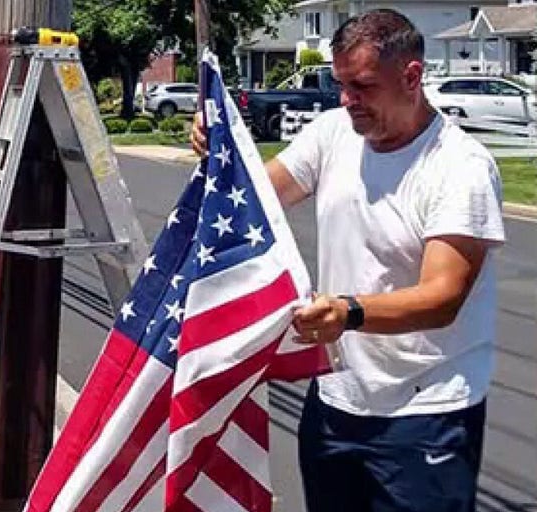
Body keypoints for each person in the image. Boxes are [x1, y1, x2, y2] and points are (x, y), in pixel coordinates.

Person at [191, 9, 505, 512]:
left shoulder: (459, 167)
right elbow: (257, 197)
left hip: (426, 412)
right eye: (341, 84)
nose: (346, 100)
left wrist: (348, 313)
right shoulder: (333, 133)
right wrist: (223, 151)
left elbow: (443, 296)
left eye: (361, 86)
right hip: (337, 400)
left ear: (411, 76)